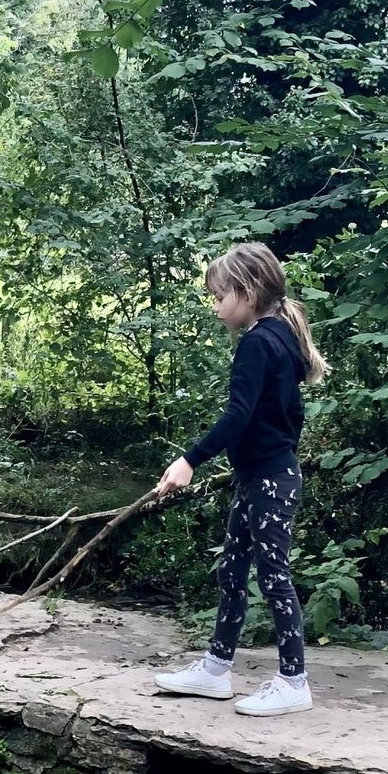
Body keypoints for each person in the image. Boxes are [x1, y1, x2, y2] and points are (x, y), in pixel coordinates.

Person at [152, 242, 328, 717]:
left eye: (219, 294)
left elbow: (239, 415)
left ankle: (294, 681)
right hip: (258, 478)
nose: (215, 305)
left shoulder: (259, 342)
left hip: (271, 480)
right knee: (232, 571)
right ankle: (215, 669)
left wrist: (190, 459)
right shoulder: (277, 336)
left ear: (248, 292)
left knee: (273, 577)